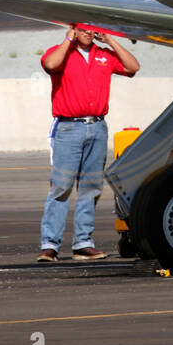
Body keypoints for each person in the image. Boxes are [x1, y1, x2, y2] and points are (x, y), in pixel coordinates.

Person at [37, 23, 139, 262]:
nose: (88, 33)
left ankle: (83, 243)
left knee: (91, 187)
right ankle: (50, 244)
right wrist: (67, 41)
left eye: (91, 29)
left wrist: (111, 41)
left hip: (97, 126)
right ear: (73, 29)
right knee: (61, 186)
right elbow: (50, 65)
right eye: (82, 28)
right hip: (68, 127)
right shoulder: (61, 52)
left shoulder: (103, 55)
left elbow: (132, 67)